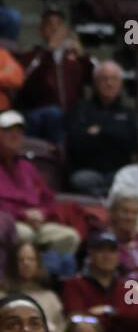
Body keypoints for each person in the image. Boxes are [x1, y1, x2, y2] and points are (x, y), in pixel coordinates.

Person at [0, 110, 81, 258]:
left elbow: (48, 198)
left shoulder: (27, 167)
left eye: (19, 132)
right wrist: (22, 215)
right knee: (24, 234)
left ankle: (48, 278)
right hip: (10, 222)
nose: (15, 136)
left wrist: (42, 214)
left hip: (37, 222)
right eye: (7, 131)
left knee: (69, 237)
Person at [19, 9, 93, 145]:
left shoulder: (74, 59)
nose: (54, 28)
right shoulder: (32, 56)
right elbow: (25, 85)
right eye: (49, 24)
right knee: (54, 114)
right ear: (40, 31)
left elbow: (97, 80)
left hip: (71, 115)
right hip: (37, 115)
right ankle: (61, 155)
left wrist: (83, 56)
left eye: (59, 24)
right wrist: (49, 52)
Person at [65, 60, 138, 198]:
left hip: (118, 173)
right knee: (80, 180)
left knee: (127, 181)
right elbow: (75, 142)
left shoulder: (129, 113)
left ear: (120, 84)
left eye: (114, 79)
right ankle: (105, 196)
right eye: (104, 79)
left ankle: (106, 195)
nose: (109, 83)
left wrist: (100, 131)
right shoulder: (81, 109)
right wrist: (114, 133)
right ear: (95, 83)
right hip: (87, 171)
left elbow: (131, 142)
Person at [62, 230, 138, 332]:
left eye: (112, 251)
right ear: (90, 254)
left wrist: (109, 311)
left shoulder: (129, 287)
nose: (107, 256)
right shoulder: (75, 285)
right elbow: (76, 321)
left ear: (118, 256)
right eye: (100, 250)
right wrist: (120, 316)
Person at [1, 239, 64, 332]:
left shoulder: (50, 298)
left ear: (38, 263)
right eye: (20, 260)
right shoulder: (2, 297)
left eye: (31, 259)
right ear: (13, 264)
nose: (26, 263)